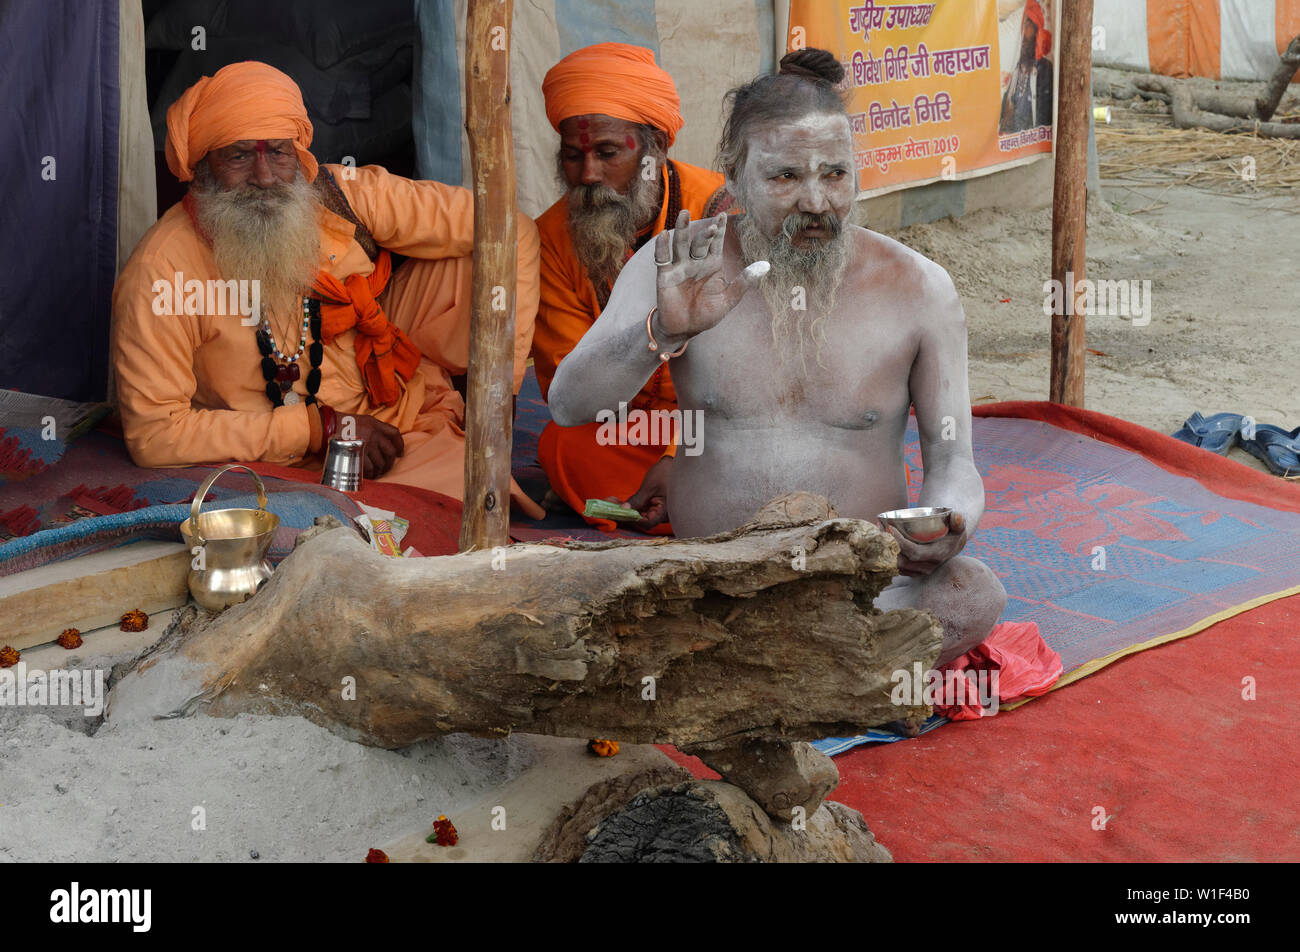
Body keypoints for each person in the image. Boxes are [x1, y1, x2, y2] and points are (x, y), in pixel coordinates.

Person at [549, 49, 1006, 665]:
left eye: (835, 175)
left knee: (972, 594)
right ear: (734, 178)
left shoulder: (921, 288)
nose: (816, 203)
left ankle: (770, 671)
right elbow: (570, 407)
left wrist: (952, 521)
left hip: (860, 591)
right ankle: (824, 673)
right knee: (575, 595)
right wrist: (661, 331)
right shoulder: (677, 264)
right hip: (709, 589)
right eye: (785, 177)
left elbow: (954, 459)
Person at [112, 61, 543, 515]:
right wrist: (317, 428)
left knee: (485, 247)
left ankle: (450, 433)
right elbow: (155, 434)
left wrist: (498, 394)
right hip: (278, 456)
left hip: (396, 412)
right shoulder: (160, 273)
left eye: (277, 152)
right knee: (441, 513)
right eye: (239, 156)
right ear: (202, 168)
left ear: (298, 156)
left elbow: (508, 226)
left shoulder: (342, 196)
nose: (263, 177)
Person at [532, 42, 732, 532]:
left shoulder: (720, 209)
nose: (589, 176)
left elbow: (748, 367)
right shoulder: (552, 236)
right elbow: (570, 383)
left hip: (721, 423)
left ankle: (672, 498)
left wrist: (675, 455)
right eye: (573, 156)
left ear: (654, 150)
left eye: (606, 153)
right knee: (562, 444)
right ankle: (691, 507)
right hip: (628, 428)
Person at [999, 0, 1054, 134]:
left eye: (1028, 24)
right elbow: (1005, 114)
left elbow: (1044, 117)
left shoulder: (1044, 69)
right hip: (1014, 147)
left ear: (1036, 30)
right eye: (1023, 24)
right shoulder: (1017, 69)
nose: (1024, 31)